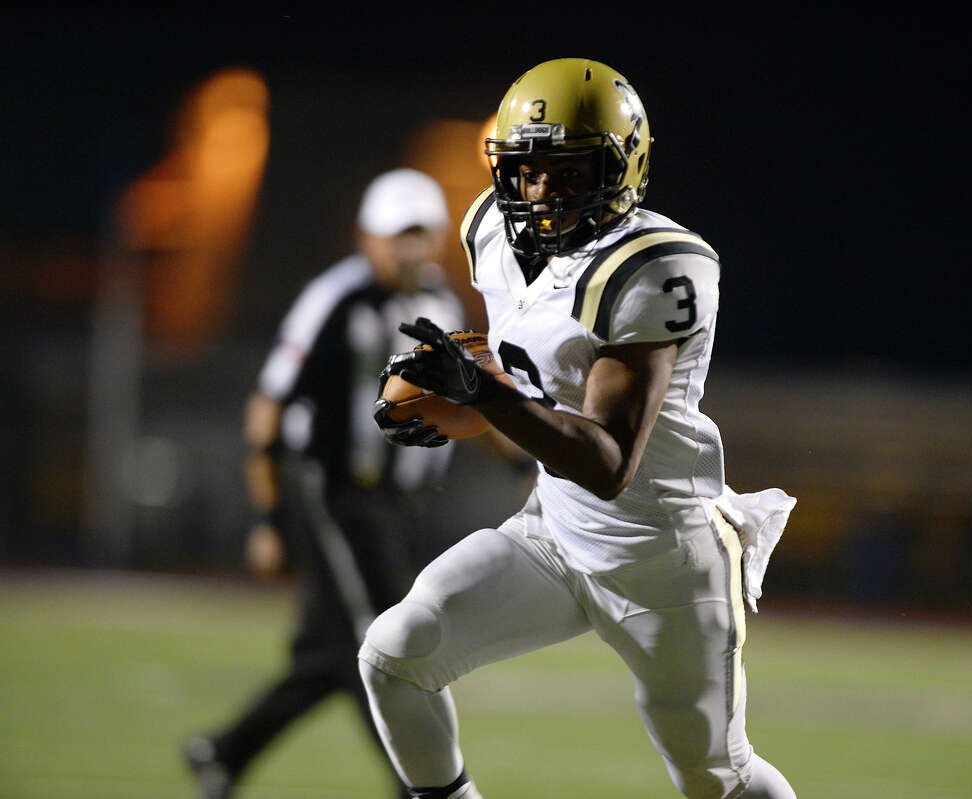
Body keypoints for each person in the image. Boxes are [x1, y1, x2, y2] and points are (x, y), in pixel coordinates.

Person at [358, 59, 798, 799]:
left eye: (565, 173)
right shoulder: (490, 233)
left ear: (621, 168)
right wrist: (460, 403)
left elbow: (608, 459)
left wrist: (487, 397)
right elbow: (530, 384)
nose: (537, 192)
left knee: (717, 777)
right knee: (394, 655)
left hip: (662, 555)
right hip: (555, 536)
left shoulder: (656, 266)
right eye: (526, 170)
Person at [185, 168, 466, 799]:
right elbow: (268, 407)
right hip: (338, 495)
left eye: (421, 235)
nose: (410, 249)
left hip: (401, 503)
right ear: (368, 236)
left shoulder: (443, 306)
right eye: (399, 235)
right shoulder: (335, 298)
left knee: (331, 651)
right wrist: (269, 517)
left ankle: (224, 753)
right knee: (390, 639)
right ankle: (418, 784)